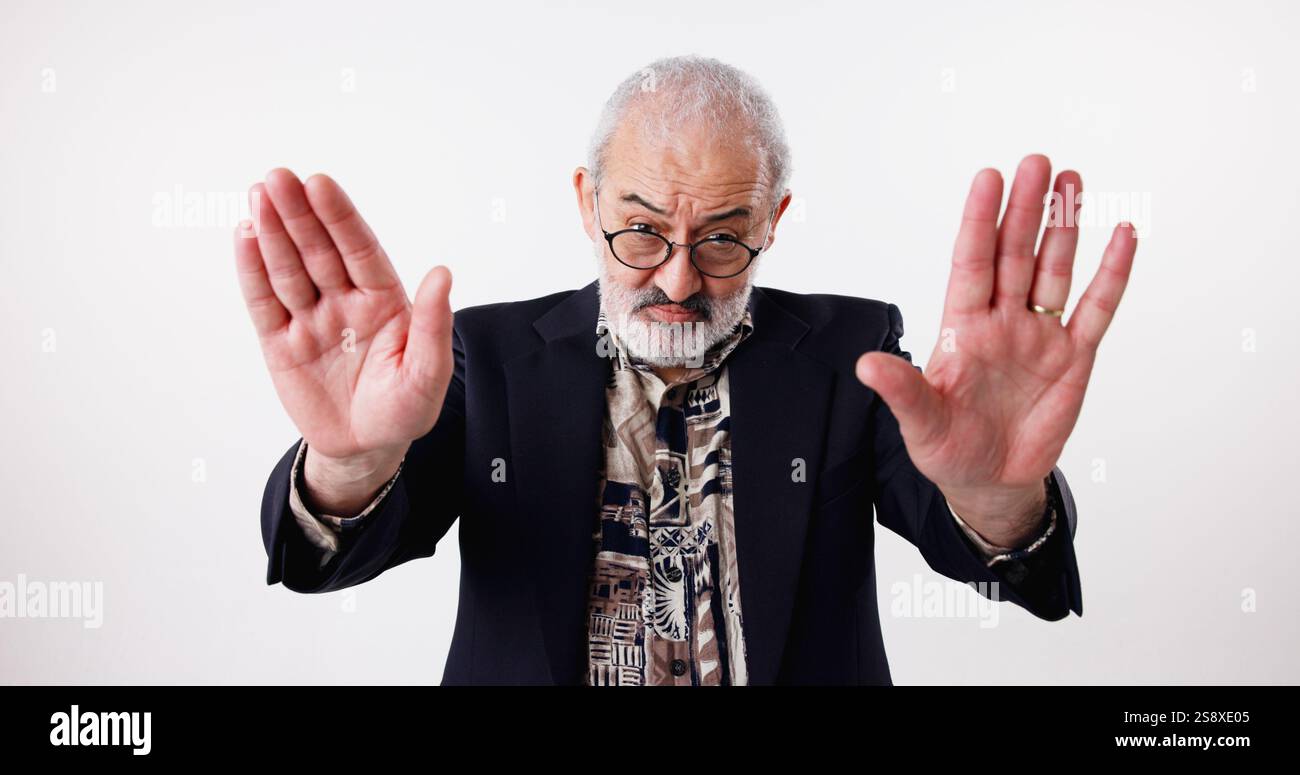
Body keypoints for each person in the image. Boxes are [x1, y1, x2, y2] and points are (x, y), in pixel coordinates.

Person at [235, 55, 1137, 685]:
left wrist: (996, 498)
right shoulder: (486, 357)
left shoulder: (849, 353)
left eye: (721, 237)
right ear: (586, 202)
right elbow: (326, 565)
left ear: (774, 219)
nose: (676, 276)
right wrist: (349, 463)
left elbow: (1002, 566)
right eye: (641, 229)